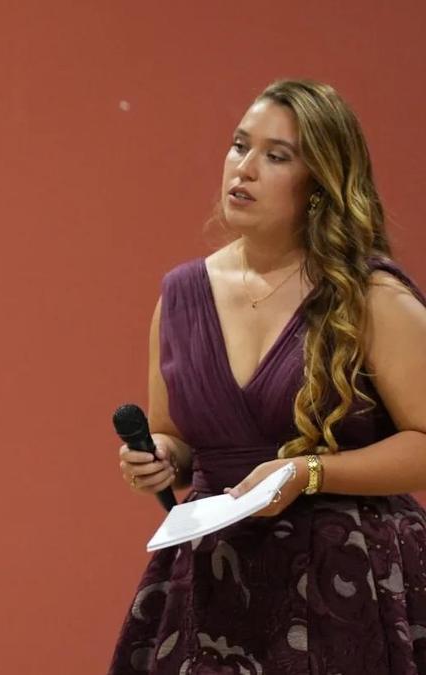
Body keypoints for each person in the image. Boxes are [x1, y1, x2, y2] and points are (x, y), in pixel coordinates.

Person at [110, 79, 426, 673]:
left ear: (318, 186)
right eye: (238, 146)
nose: (245, 168)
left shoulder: (372, 296)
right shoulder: (181, 295)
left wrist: (308, 472)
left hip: (351, 581)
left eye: (276, 156)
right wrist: (159, 456)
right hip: (216, 581)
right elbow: (175, 436)